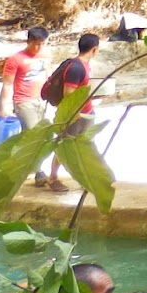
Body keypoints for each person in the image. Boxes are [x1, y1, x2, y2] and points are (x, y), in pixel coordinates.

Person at [48, 34, 100, 193]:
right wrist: (74, 114)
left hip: (86, 112)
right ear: (94, 49)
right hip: (75, 115)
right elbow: (69, 93)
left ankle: (85, 178)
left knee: (85, 146)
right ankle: (53, 177)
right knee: (65, 145)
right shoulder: (76, 68)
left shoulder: (84, 66)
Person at [1, 26, 51, 190]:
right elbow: (7, 84)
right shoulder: (16, 60)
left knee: (35, 136)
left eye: (42, 43)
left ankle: (13, 166)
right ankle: (38, 172)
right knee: (33, 134)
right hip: (23, 101)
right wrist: (3, 107)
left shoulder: (45, 55)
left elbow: (47, 76)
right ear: (28, 41)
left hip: (40, 100)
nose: (39, 47)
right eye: (36, 44)